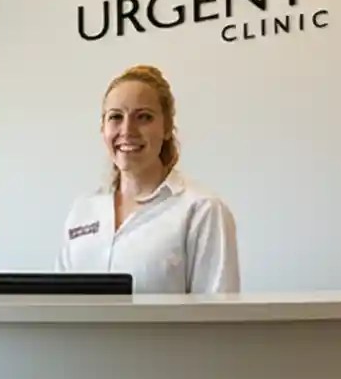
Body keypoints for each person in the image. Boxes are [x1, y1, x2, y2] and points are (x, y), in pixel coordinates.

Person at [54, 64, 240, 293]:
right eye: (115, 117)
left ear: (167, 128)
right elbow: (61, 306)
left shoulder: (202, 210)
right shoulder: (82, 210)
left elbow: (218, 318)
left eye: (143, 117)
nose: (127, 130)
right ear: (102, 128)